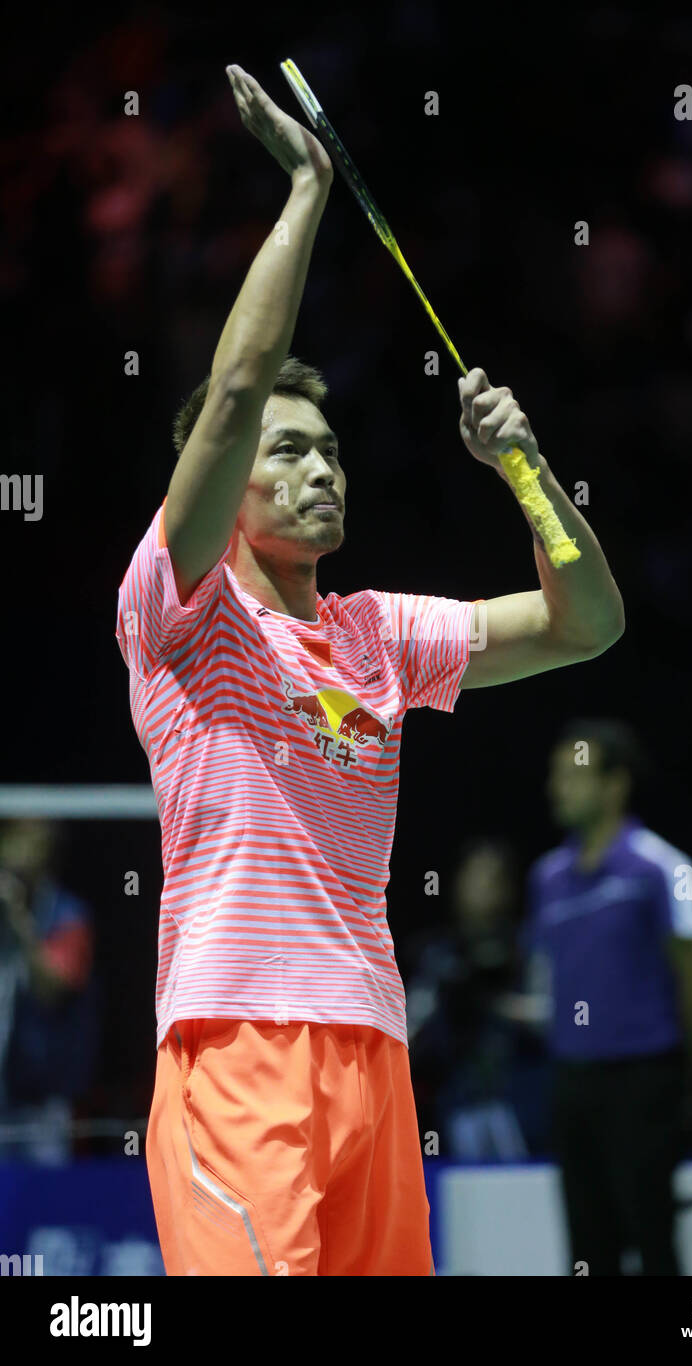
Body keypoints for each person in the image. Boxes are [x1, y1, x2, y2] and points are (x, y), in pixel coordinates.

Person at [114, 64, 624, 1277]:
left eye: (330, 450)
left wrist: (525, 472)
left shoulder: (378, 632)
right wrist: (306, 190)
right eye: (286, 453)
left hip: (372, 1052)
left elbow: (585, 623)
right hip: (235, 1040)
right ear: (223, 489)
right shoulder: (178, 617)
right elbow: (238, 384)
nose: (319, 469)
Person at [522, 719, 692, 1275]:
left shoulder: (665, 868)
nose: (558, 787)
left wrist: (687, 1078)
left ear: (616, 785)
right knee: (588, 1249)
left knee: (653, 1238)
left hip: (645, 1080)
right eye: (555, 775)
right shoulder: (547, 878)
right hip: (573, 1083)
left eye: (575, 774)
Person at [406, 837, 548, 1161]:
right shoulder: (438, 957)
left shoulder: (531, 949)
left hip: (524, 1105)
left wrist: (497, 1007)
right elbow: (408, 1033)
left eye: (493, 879)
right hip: (456, 1105)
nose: (482, 890)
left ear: (510, 888)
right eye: (474, 877)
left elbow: (558, 1020)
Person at [0, 818, 98, 1163]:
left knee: (40, 1202)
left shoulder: (67, 914)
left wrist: (18, 917)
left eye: (34, 843)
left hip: (40, 1099)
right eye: (13, 840)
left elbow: (51, 988)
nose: (19, 853)